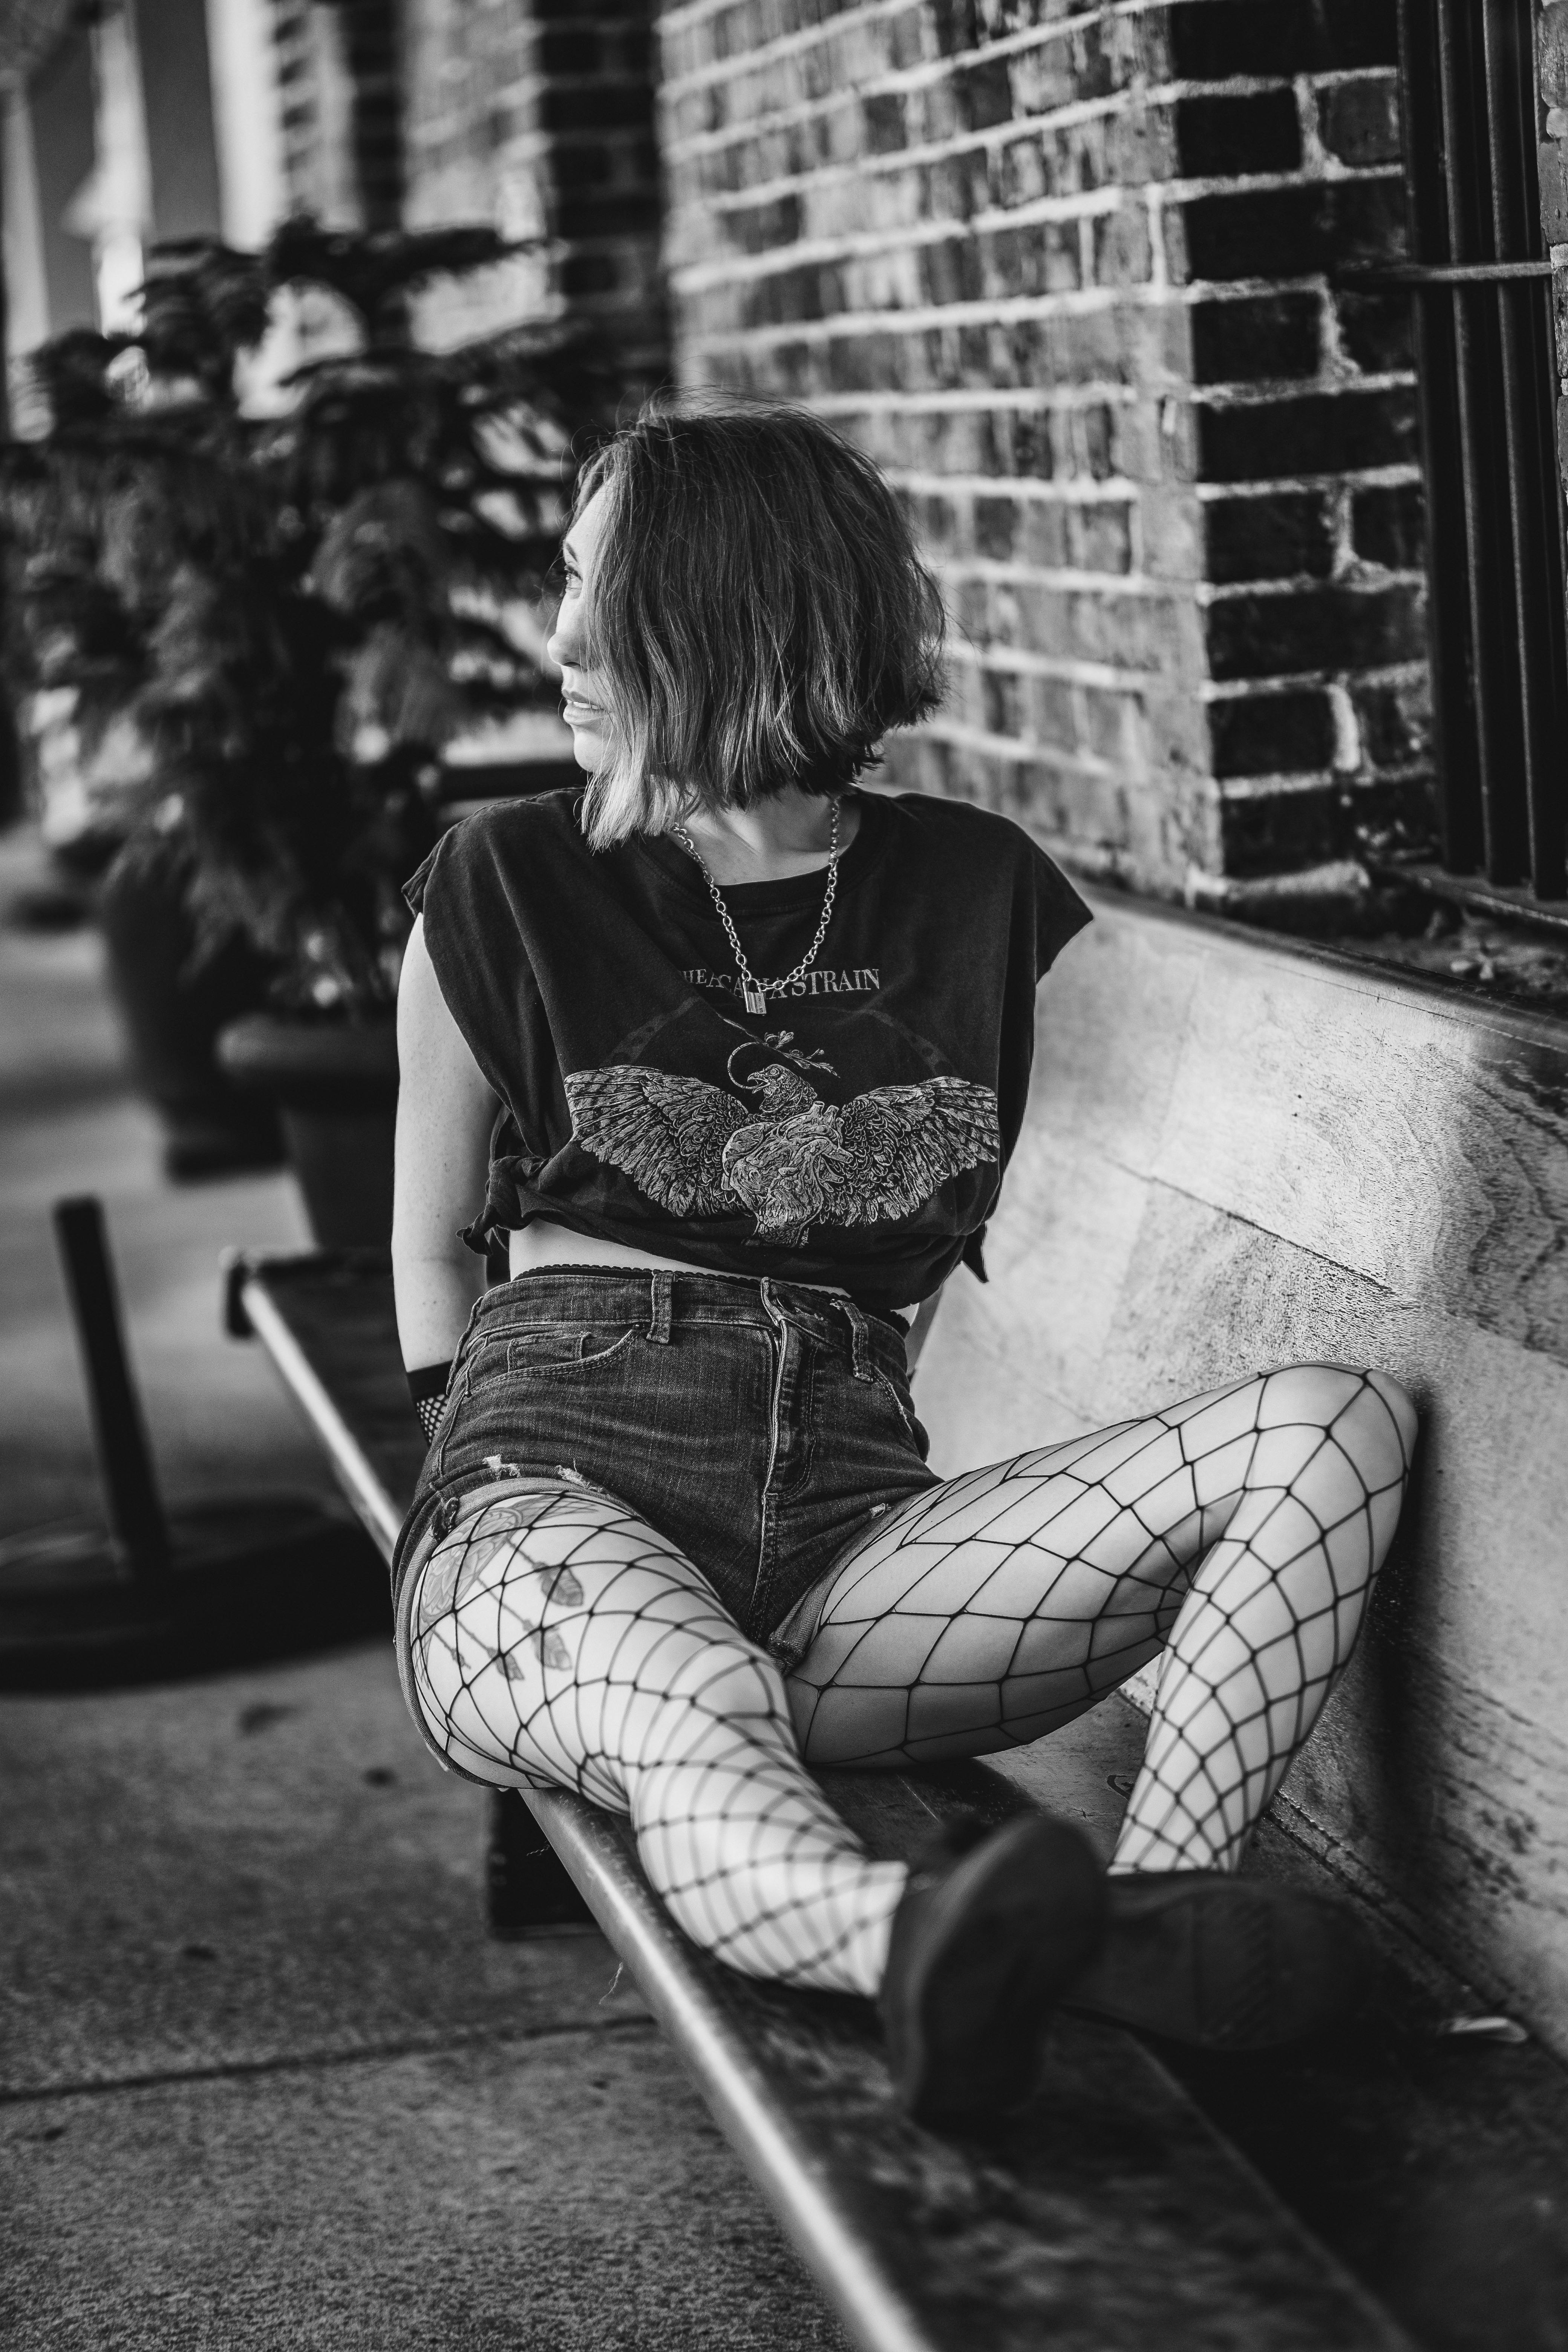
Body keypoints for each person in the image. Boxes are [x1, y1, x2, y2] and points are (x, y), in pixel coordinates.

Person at [389, 399, 1417, 2127]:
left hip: (859, 1555)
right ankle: (934, 1941)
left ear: (723, 622)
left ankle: (1154, 1926)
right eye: (566, 582)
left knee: (1333, 1426)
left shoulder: (971, 890)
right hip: (561, 1481)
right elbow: (425, 1245)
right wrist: (491, 1531)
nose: (558, 638)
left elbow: (943, 1255)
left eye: (598, 591)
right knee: (693, 1715)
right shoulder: (505, 877)